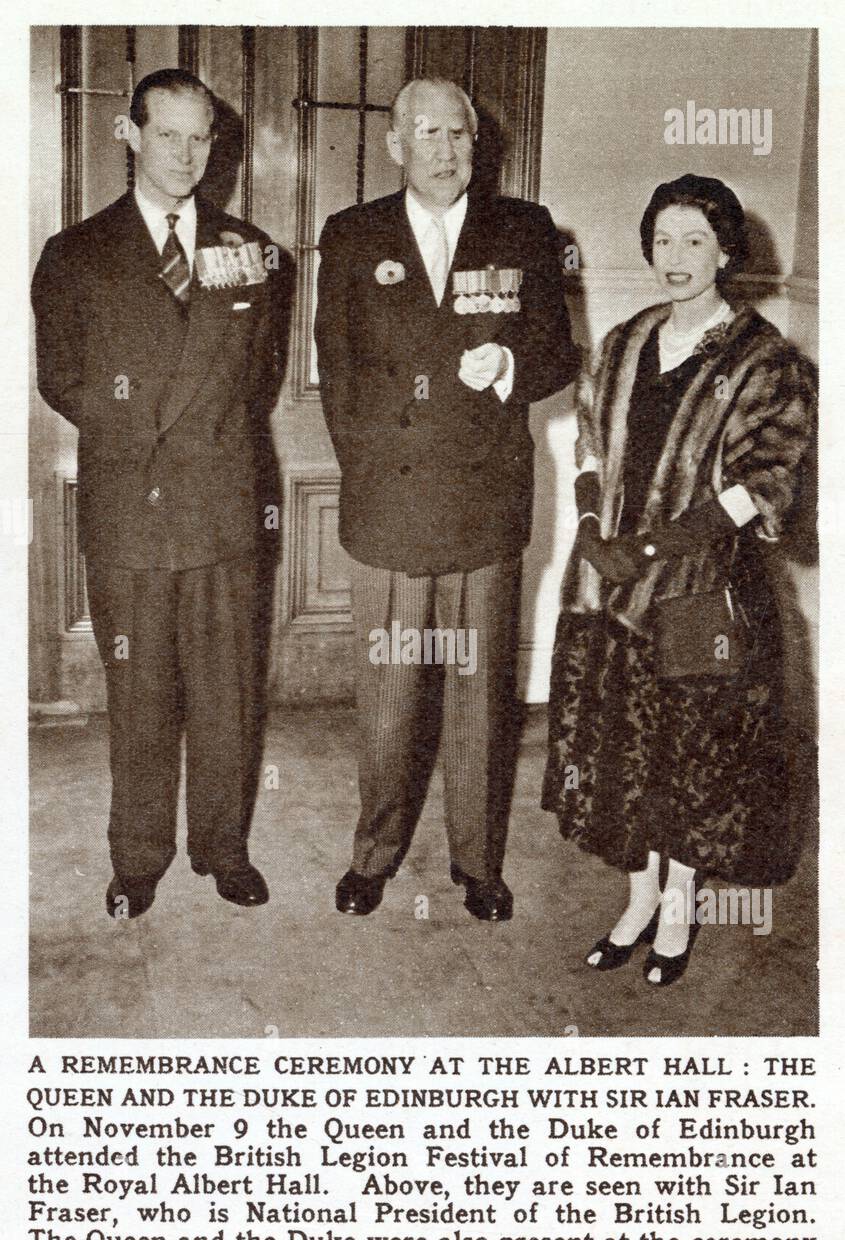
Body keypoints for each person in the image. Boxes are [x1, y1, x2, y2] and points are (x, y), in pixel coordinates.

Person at [542, 173, 816, 985]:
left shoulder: (761, 360)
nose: (675, 257)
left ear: (726, 250)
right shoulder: (627, 340)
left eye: (694, 240)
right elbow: (590, 446)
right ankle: (635, 899)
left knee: (685, 757)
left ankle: (676, 908)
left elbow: (760, 485)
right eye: (662, 240)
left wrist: (653, 549)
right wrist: (593, 526)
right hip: (607, 589)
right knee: (620, 747)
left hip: (697, 593)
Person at [316, 77, 578, 921]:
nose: (445, 150)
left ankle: (479, 863)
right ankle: (374, 854)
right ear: (394, 145)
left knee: (478, 698)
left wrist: (506, 370)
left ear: (478, 142)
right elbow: (339, 373)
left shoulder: (525, 230)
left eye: (458, 134)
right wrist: (368, 469)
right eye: (426, 134)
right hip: (388, 505)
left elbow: (558, 357)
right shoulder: (353, 235)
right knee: (390, 699)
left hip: (482, 504)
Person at [32, 69, 282, 919]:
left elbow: (261, 379)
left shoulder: (252, 251)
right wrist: (143, 418)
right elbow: (60, 378)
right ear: (128, 134)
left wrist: (203, 441)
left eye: (201, 137)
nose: (186, 155)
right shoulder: (76, 252)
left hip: (221, 505)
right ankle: (137, 857)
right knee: (138, 696)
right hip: (128, 507)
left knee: (226, 695)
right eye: (167, 134)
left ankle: (225, 849)